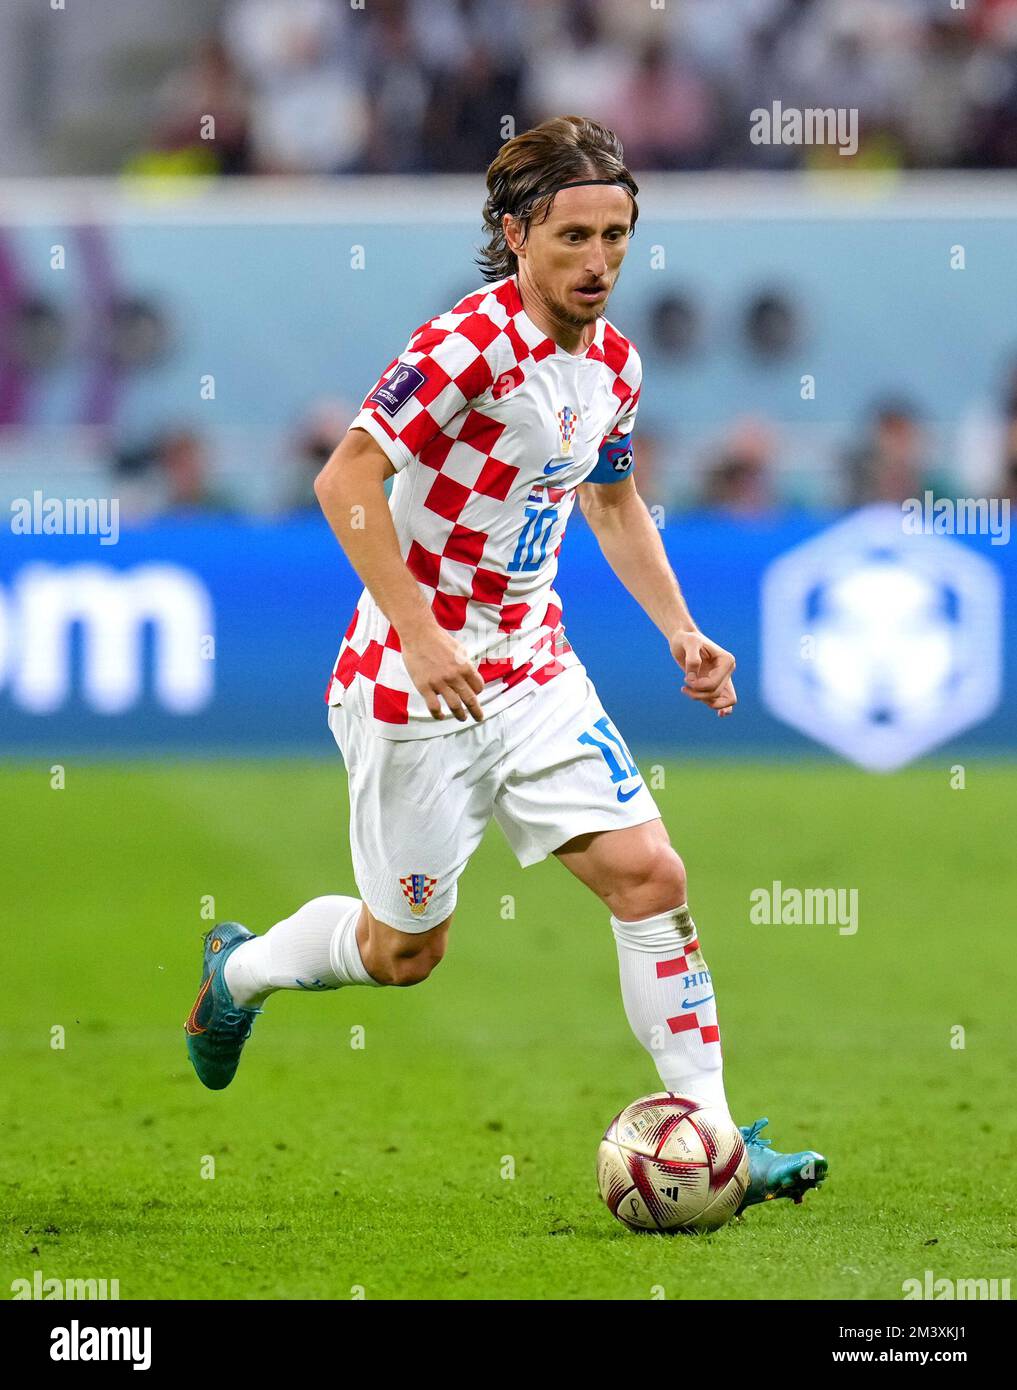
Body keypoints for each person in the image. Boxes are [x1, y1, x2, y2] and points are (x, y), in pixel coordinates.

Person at [184, 115, 827, 1215]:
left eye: (617, 235)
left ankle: (717, 1135)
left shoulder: (612, 365)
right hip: (410, 683)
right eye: (574, 235)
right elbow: (344, 482)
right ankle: (237, 972)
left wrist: (679, 627)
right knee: (402, 954)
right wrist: (422, 631)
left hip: (531, 670)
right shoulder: (463, 346)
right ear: (515, 233)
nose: (599, 261)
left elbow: (613, 500)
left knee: (651, 875)